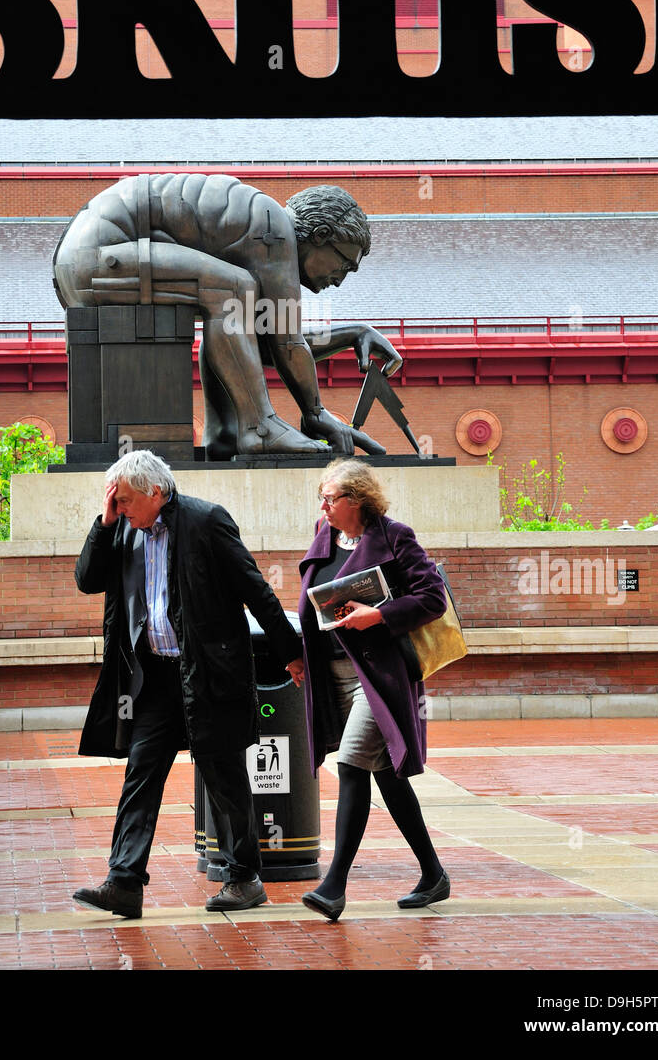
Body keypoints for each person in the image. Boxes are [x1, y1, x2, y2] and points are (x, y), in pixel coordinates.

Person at [71, 449, 305, 917]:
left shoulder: (205, 521)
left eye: (128, 502)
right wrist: (105, 519)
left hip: (206, 673)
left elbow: (253, 588)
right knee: (142, 771)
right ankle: (124, 881)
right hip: (153, 676)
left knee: (223, 775)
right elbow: (87, 580)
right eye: (117, 503)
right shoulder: (120, 527)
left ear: (155, 492)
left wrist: (292, 654)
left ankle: (244, 879)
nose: (124, 511)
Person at [53, 174, 400, 458]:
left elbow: (261, 340)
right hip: (97, 259)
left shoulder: (260, 224)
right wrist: (316, 414)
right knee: (232, 291)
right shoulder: (274, 228)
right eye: (345, 264)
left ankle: (226, 433)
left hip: (87, 263)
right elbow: (287, 342)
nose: (339, 279)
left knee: (231, 306)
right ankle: (259, 429)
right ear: (322, 236)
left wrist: (354, 334)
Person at [297, 459, 450, 921]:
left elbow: (432, 598)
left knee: (350, 765)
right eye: (321, 497)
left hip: (377, 677)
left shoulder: (393, 536)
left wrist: (378, 615)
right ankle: (433, 874)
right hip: (332, 675)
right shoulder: (324, 538)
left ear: (357, 499)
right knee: (387, 776)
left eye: (330, 498)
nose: (323, 505)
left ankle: (334, 885)